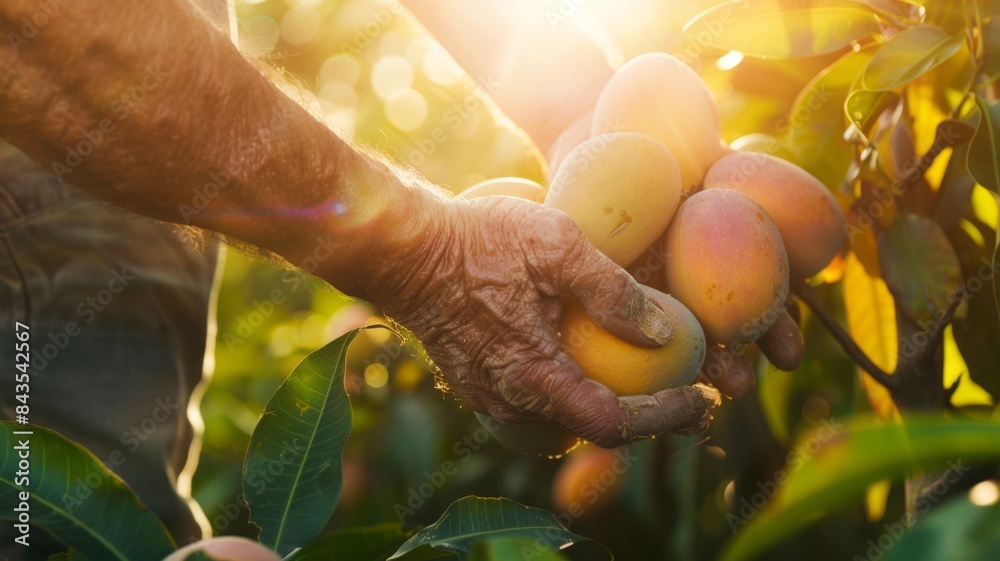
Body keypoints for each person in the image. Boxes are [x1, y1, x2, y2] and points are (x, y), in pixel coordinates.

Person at [1, 0, 728, 557]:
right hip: (50, 155)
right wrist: (422, 258)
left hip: (122, 170)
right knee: (48, 529)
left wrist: (572, 108)